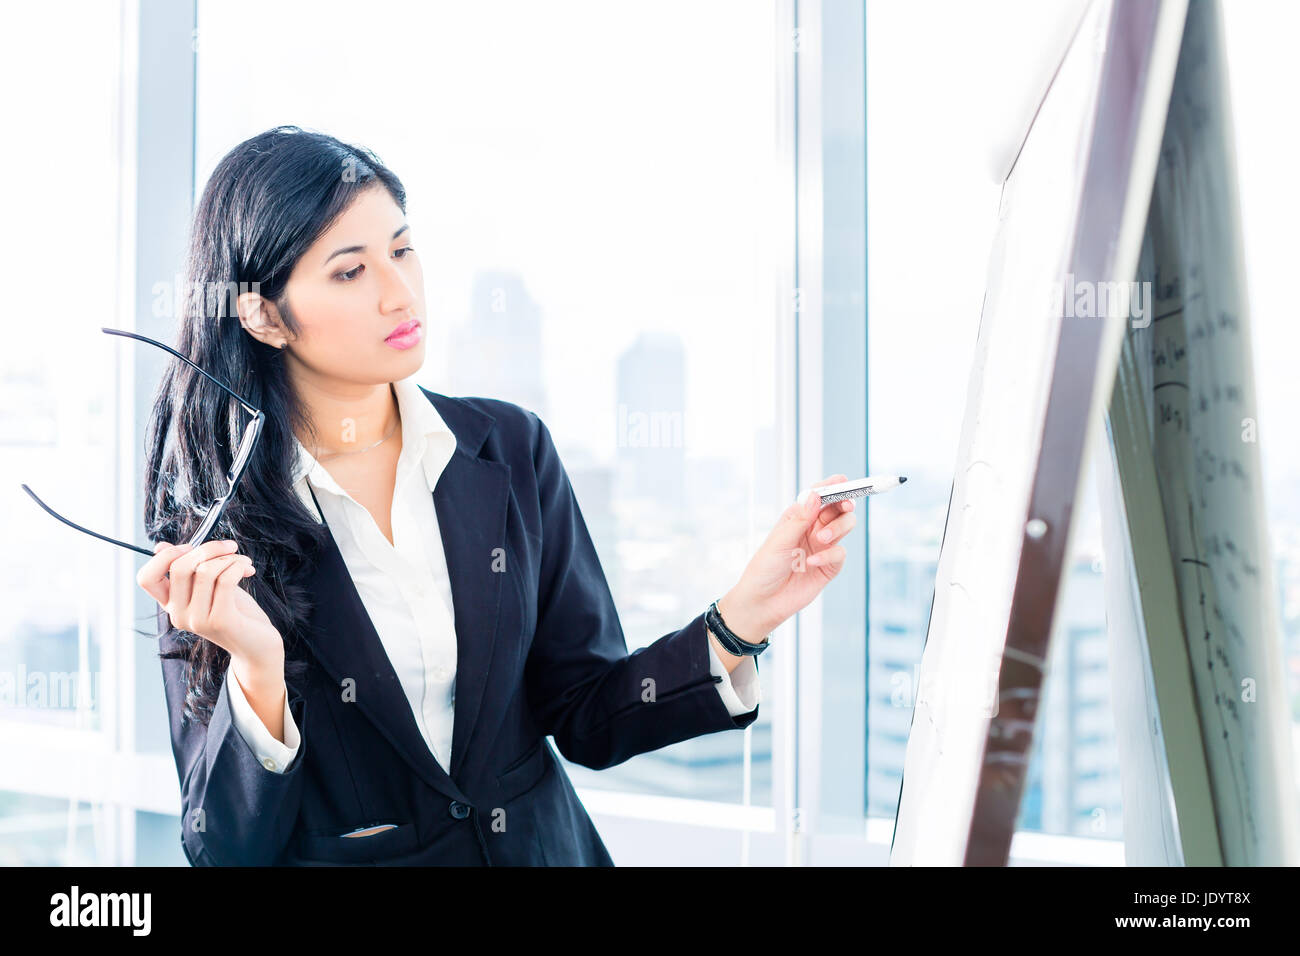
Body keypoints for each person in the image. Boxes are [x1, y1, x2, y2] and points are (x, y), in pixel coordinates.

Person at [135, 126, 856, 865]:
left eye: (403, 249)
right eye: (350, 273)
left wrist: (743, 617)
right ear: (263, 314)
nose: (399, 291)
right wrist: (257, 669)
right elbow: (221, 847)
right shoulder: (216, 523)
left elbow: (586, 714)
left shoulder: (508, 449)